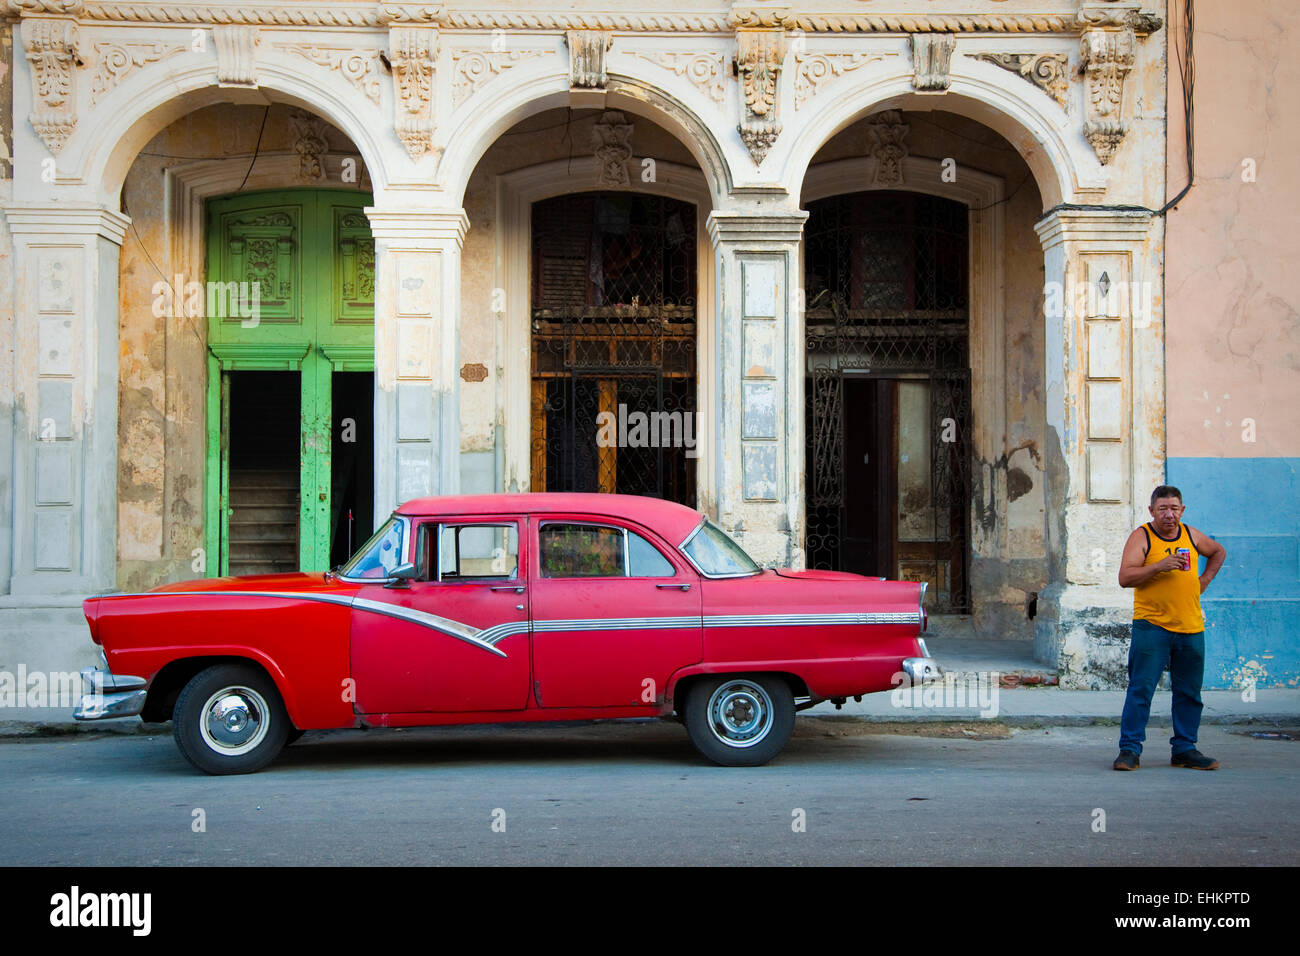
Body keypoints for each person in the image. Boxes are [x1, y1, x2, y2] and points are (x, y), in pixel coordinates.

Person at [1113, 485, 1226, 771]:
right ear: (1152, 511)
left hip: (1190, 626)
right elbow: (1125, 577)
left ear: (1182, 510)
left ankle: (1185, 749)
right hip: (1152, 626)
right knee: (1141, 690)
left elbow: (1218, 552)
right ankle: (1129, 750)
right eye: (1162, 509)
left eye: (1174, 509)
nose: (1169, 515)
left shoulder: (1190, 534)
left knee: (1189, 692)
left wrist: (1205, 581)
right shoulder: (1143, 537)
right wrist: (1159, 566)